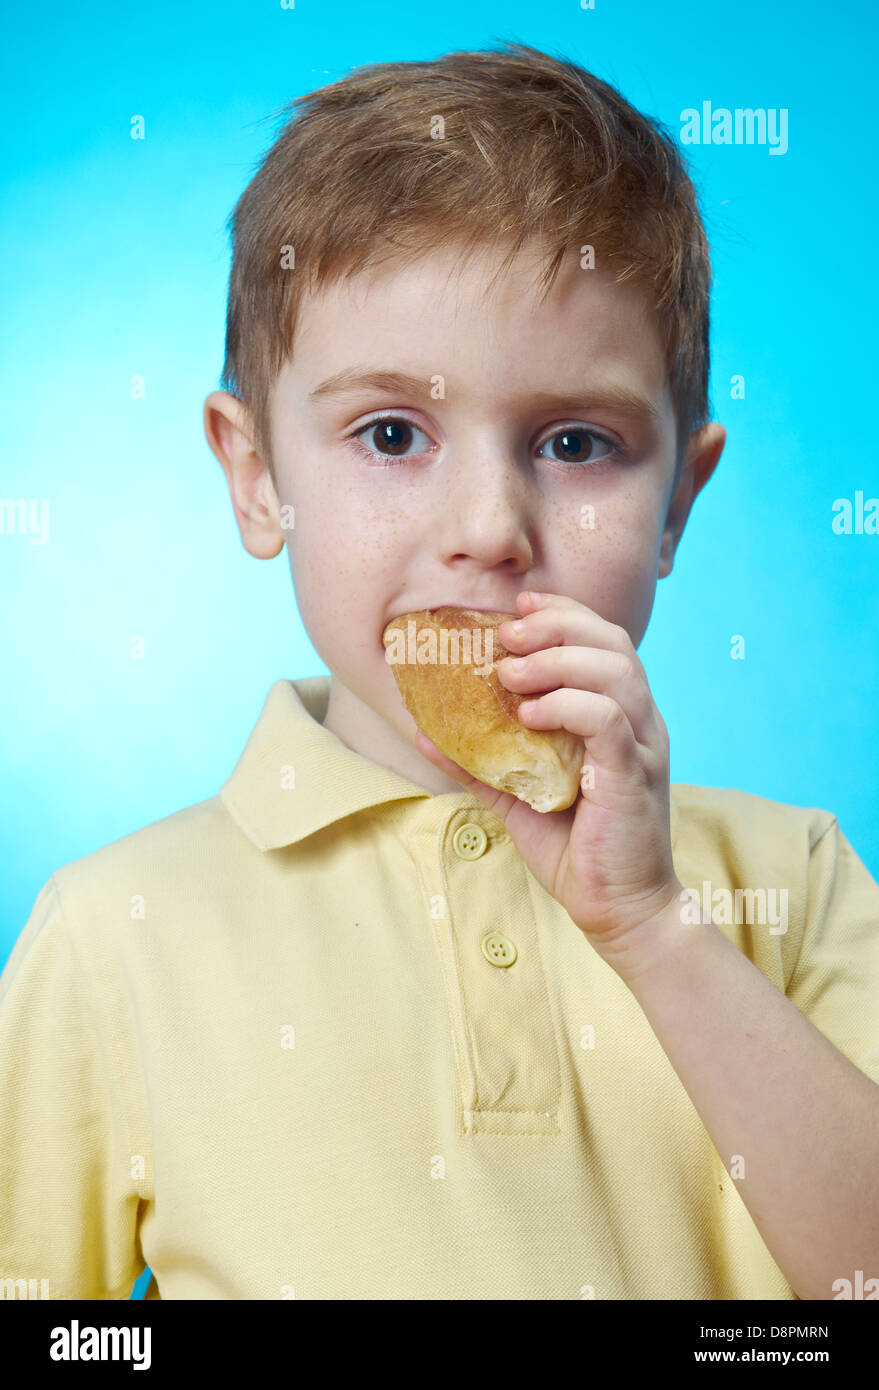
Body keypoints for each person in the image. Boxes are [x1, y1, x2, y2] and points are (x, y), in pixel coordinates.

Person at [2, 42, 877, 1301]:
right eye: (392, 433)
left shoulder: (791, 880)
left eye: (576, 442)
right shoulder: (112, 934)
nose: (489, 525)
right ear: (257, 478)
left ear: (679, 499)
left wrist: (656, 931)